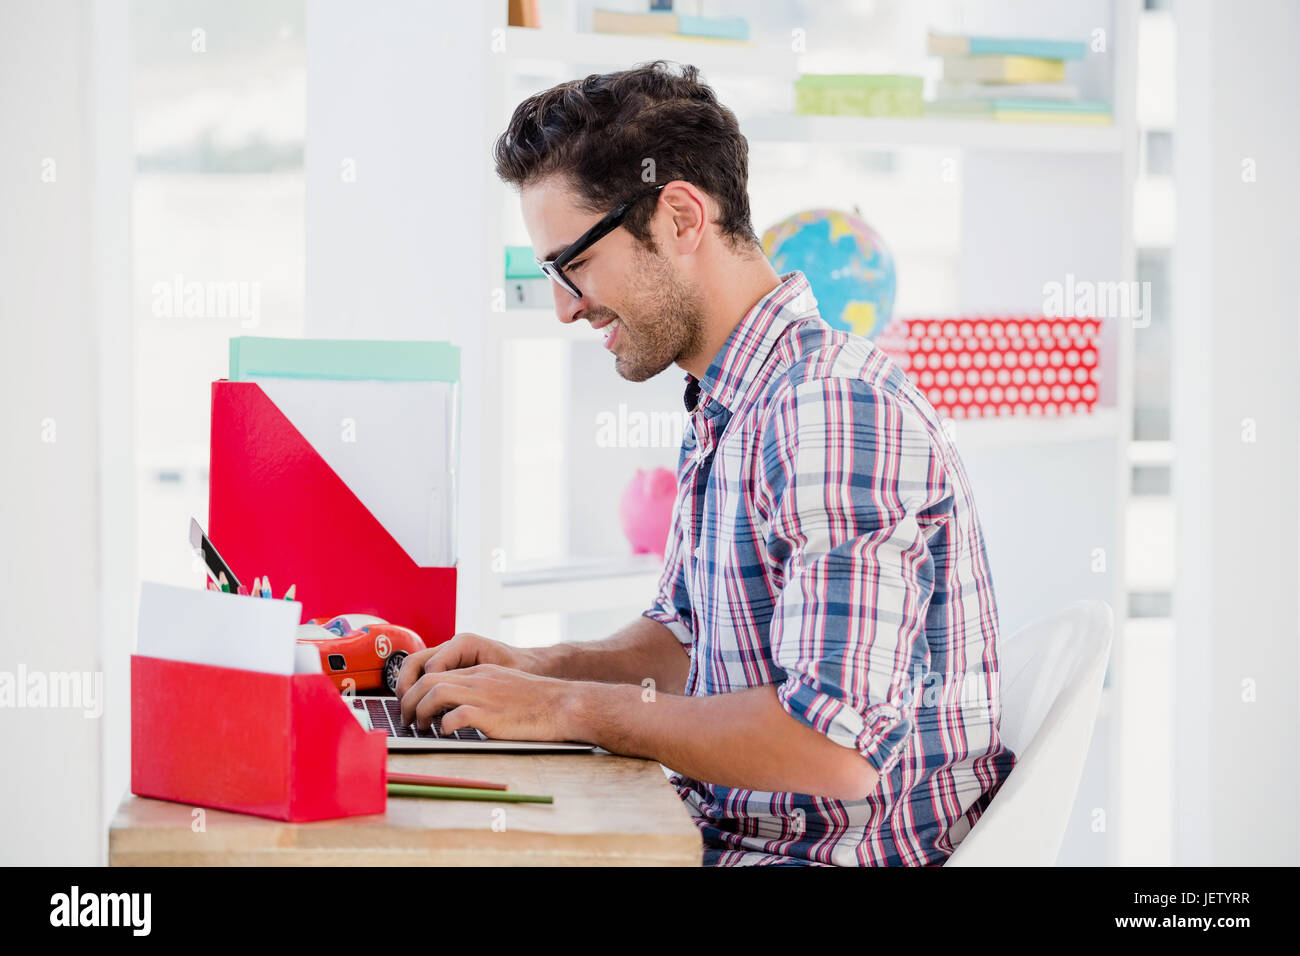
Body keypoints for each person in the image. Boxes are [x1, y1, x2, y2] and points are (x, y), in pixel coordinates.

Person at [397, 61, 1015, 866]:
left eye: (572, 262)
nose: (565, 305)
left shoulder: (830, 408)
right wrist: (538, 666)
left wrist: (566, 706)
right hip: (722, 834)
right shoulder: (735, 398)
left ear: (681, 217)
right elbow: (687, 639)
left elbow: (832, 747)